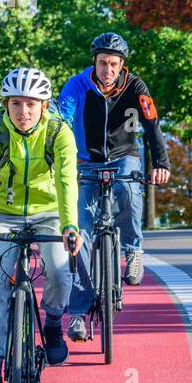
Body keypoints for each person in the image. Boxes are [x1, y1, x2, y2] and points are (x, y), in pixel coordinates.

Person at [0, 67, 83, 383]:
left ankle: (55, 323)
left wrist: (70, 226)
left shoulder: (60, 133)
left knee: (59, 270)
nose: (23, 112)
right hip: (2, 213)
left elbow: (66, 181)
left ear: (44, 105)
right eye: (16, 103)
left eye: (31, 104)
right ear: (6, 104)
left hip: (50, 212)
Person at [56, 32, 171, 340]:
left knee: (131, 190)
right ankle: (78, 313)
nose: (108, 70)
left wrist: (161, 163)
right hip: (86, 161)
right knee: (80, 234)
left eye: (114, 64)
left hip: (124, 157)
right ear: (94, 62)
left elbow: (152, 123)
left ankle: (133, 251)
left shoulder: (136, 86)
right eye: (103, 63)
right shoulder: (77, 84)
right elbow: (62, 117)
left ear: (122, 65)